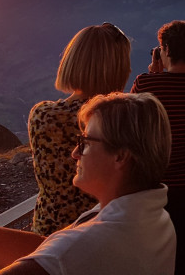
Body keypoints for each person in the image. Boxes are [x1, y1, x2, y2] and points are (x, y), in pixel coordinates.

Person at [0, 92, 176, 275]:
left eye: (85, 142)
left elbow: (63, 255)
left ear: (121, 156)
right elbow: (47, 254)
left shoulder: (87, 245)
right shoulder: (154, 219)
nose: (75, 152)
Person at [131, 20, 185, 275]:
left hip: (162, 184)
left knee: (158, 249)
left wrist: (154, 75)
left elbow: (128, 116)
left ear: (165, 49)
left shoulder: (147, 84)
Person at [28, 23, 131, 235]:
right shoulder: (121, 118)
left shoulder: (43, 116)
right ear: (118, 68)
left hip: (49, 233)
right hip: (103, 228)